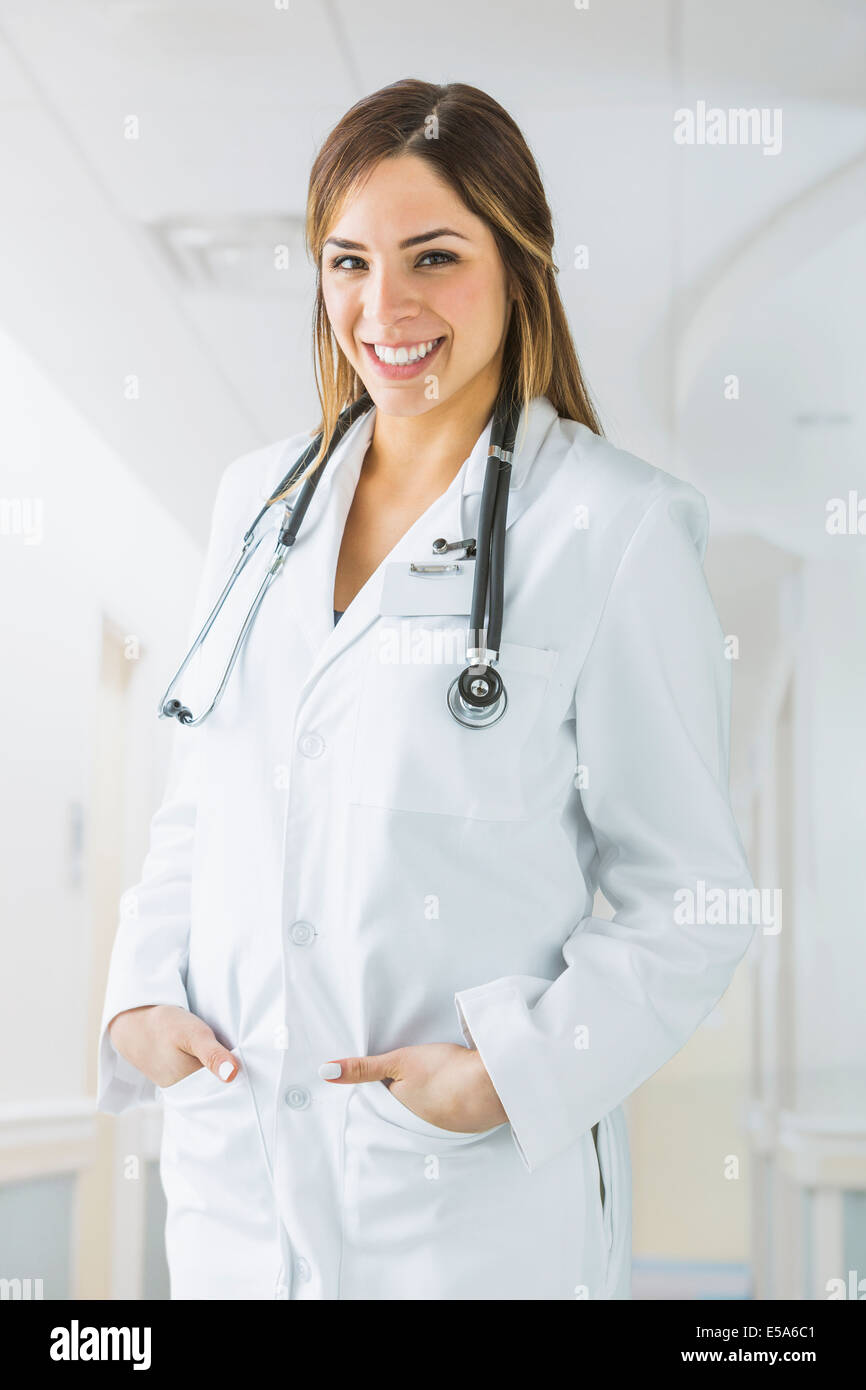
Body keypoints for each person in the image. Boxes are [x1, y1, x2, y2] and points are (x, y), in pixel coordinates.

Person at [99, 78, 755, 1301]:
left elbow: (694, 899)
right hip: (237, 1186)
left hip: (461, 1212)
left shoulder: (610, 528)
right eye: (346, 261)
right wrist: (139, 996)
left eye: (433, 257)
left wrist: (507, 1074)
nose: (381, 308)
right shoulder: (256, 504)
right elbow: (206, 799)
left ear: (519, 267)